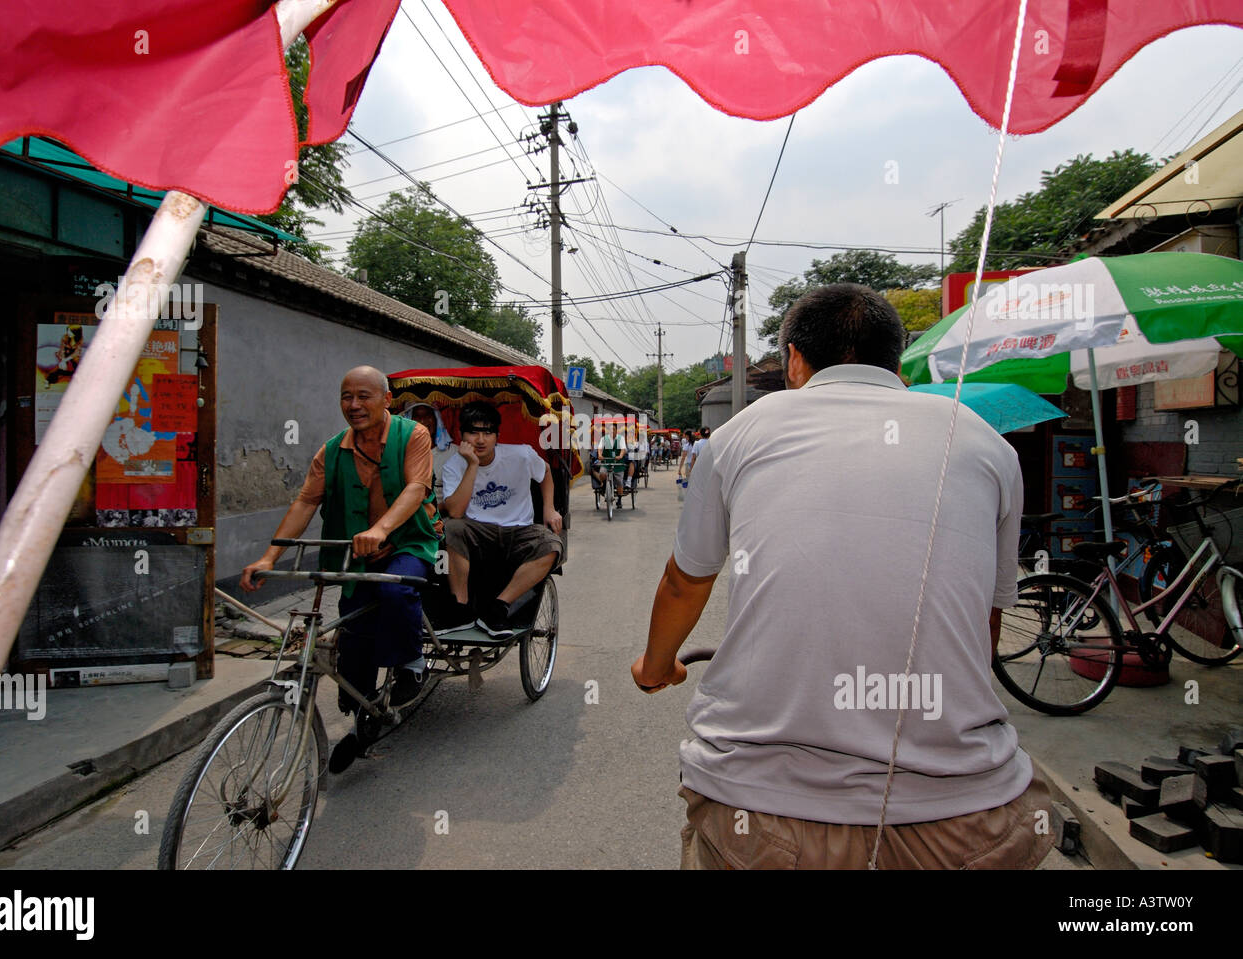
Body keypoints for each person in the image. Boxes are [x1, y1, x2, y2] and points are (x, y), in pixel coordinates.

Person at [631, 283, 1050, 870]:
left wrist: (655, 667)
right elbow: (986, 619)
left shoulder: (740, 432)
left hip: (764, 813)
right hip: (967, 814)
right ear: (896, 361)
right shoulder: (983, 440)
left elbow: (685, 581)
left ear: (795, 359)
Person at [240, 366, 438, 774]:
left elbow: (416, 488)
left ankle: (410, 665)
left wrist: (382, 528)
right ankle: (364, 705)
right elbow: (305, 503)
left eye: (364, 396)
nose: (354, 405)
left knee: (395, 592)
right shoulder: (331, 450)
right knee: (353, 623)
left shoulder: (413, 435)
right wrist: (269, 557)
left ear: (386, 400)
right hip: (355, 552)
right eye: (347, 397)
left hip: (406, 543)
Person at [440, 401, 564, 637]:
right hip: (477, 531)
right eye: (473, 432)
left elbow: (546, 471)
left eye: (487, 432)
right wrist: (473, 465)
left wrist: (549, 508)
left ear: (497, 436)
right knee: (451, 528)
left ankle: (499, 606)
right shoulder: (454, 465)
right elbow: (455, 511)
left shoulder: (521, 455)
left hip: (518, 530)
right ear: (462, 436)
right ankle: (461, 607)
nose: (480, 440)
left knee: (551, 544)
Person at [593, 419, 628, 506]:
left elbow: (623, 449)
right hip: (606, 462)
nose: (612, 431)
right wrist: (600, 455)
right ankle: (605, 485)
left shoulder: (621, 438)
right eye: (610, 430)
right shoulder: (604, 438)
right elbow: (600, 448)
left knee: (619, 481)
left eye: (614, 430)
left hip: (618, 463)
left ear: (616, 431)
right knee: (602, 473)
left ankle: (619, 500)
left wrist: (620, 455)